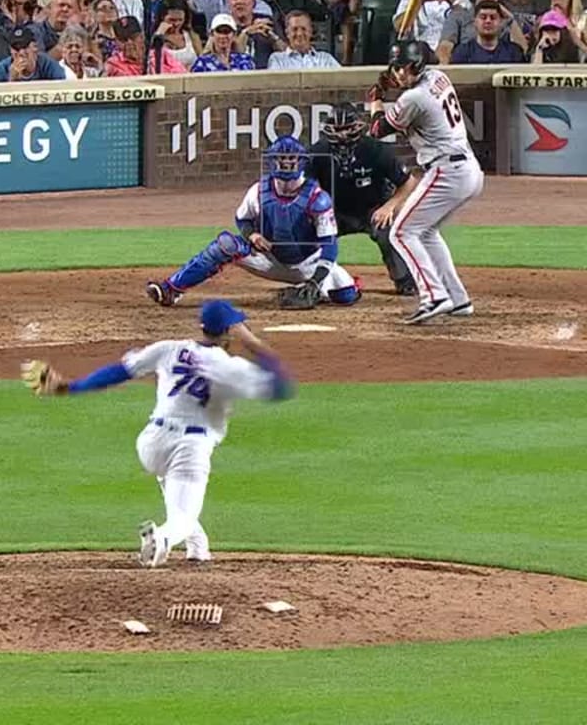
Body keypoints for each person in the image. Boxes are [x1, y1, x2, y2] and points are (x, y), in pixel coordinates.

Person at [22, 299, 293, 568]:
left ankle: (198, 550)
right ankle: (161, 540)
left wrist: (72, 387)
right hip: (190, 447)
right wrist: (255, 345)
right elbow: (281, 388)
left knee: (178, 496)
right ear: (228, 332)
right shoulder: (231, 367)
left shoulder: (169, 349)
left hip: (152, 442)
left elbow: (120, 371)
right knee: (184, 517)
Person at [146, 136, 363, 308]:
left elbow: (329, 246)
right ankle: (171, 289)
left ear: (301, 162)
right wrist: (252, 235)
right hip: (269, 259)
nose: (286, 164)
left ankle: (325, 288)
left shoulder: (317, 198)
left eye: (291, 160)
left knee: (346, 296)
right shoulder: (259, 190)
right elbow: (242, 219)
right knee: (225, 245)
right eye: (281, 159)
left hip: (309, 264)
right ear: (272, 161)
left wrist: (315, 281)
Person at [366, 40, 483, 325]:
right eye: (396, 68)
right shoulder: (438, 77)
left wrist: (376, 100)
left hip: (446, 171)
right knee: (426, 232)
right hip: (466, 168)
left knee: (401, 232)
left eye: (403, 68)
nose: (399, 73)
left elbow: (377, 130)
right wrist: (392, 85)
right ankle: (457, 299)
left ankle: (434, 296)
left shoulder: (413, 98)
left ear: (416, 66)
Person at [306, 103, 418, 295]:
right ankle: (312, 281)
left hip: (373, 210)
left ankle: (404, 280)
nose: (342, 135)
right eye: (338, 129)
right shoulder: (317, 152)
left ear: (357, 126)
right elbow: (304, 187)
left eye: (347, 129)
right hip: (334, 212)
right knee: (306, 231)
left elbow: (408, 182)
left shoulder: (375, 150)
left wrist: (389, 206)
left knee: (389, 230)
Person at [191, 14, 258, 71]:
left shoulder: (245, 60)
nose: (223, 36)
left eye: (227, 32)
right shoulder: (202, 62)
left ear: (234, 35)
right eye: (219, 31)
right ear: (211, 34)